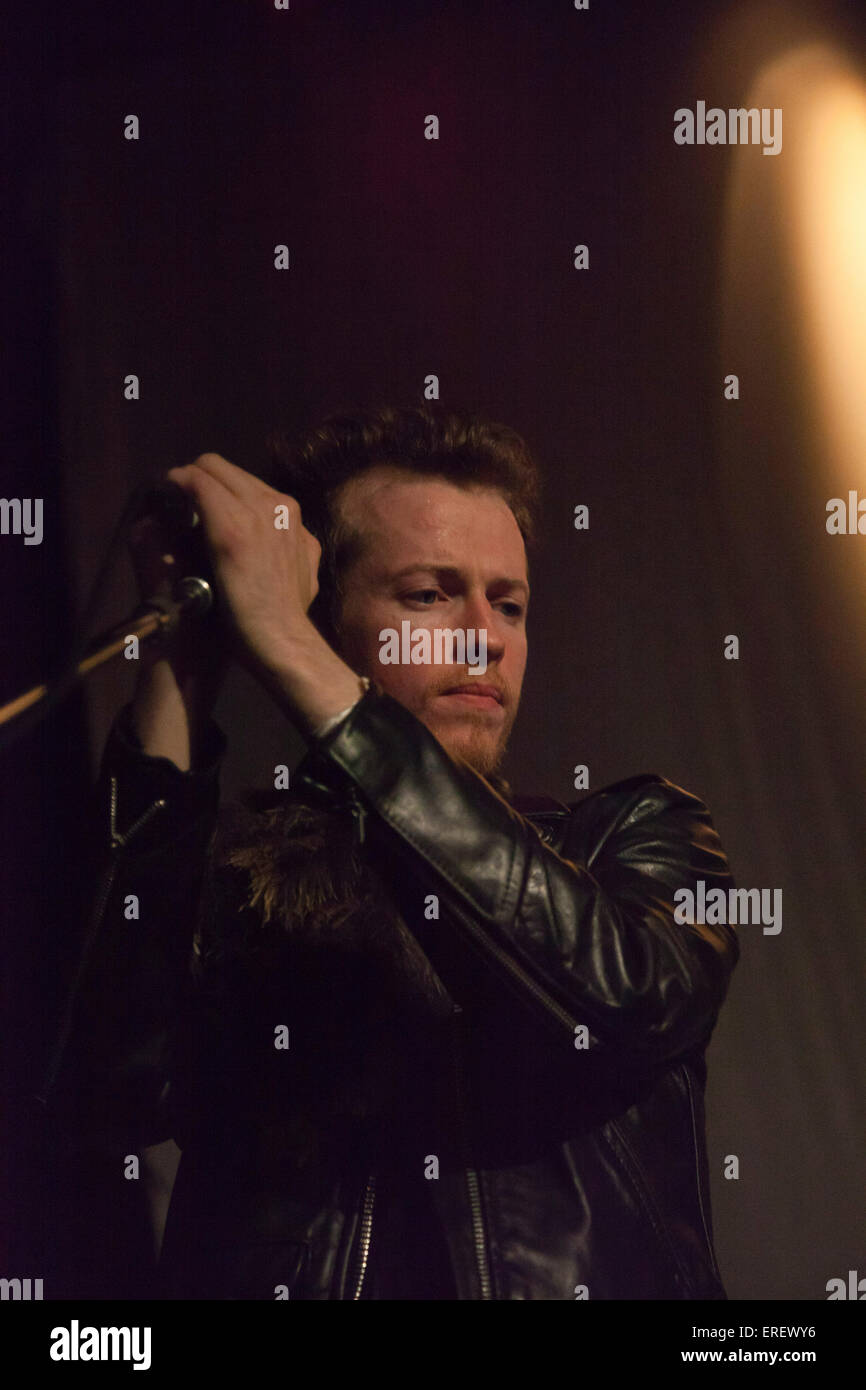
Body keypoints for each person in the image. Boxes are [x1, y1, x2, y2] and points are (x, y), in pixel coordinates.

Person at [53, 404, 739, 1300]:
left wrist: (299, 657)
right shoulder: (244, 880)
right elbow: (108, 1097)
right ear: (326, 621)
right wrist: (182, 668)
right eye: (428, 593)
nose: (484, 636)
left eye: (510, 603)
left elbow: (619, 1000)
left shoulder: (640, 836)